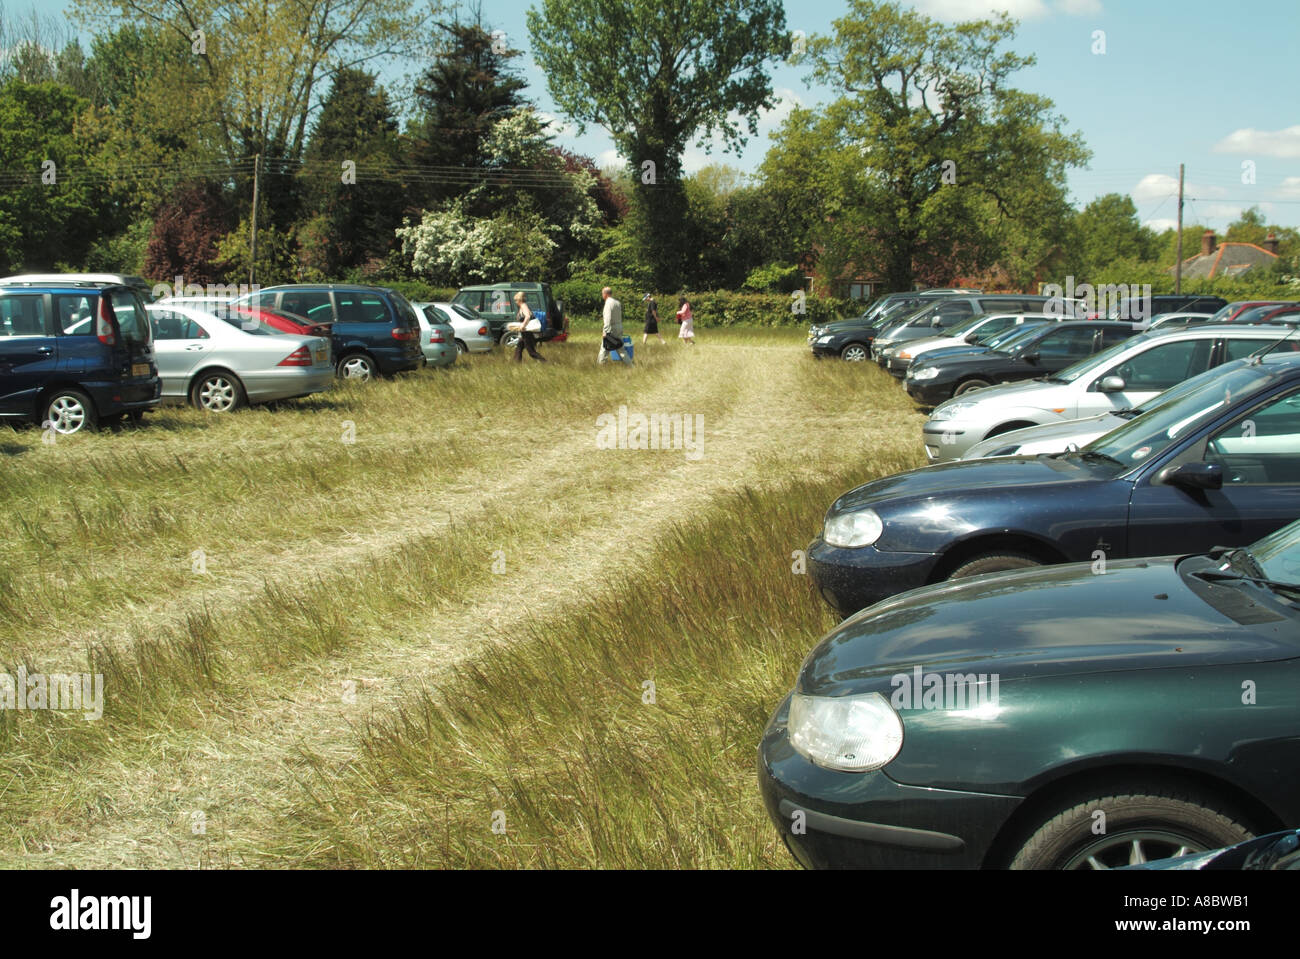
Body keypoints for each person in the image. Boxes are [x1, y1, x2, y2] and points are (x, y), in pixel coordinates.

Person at [598, 286, 632, 365]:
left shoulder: (608, 303)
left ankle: (600, 366)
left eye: (602, 293)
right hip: (619, 327)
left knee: (604, 348)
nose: (602, 295)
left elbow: (608, 318)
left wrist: (606, 331)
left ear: (605, 294)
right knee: (620, 348)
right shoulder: (617, 302)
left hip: (611, 329)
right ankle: (631, 365)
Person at [510, 291, 546, 362]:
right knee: (519, 348)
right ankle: (516, 363)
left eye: (516, 300)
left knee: (531, 352)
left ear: (520, 300)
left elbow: (528, 316)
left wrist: (523, 325)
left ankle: (544, 362)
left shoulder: (524, 306)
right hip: (524, 332)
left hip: (527, 332)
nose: (515, 302)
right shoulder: (521, 307)